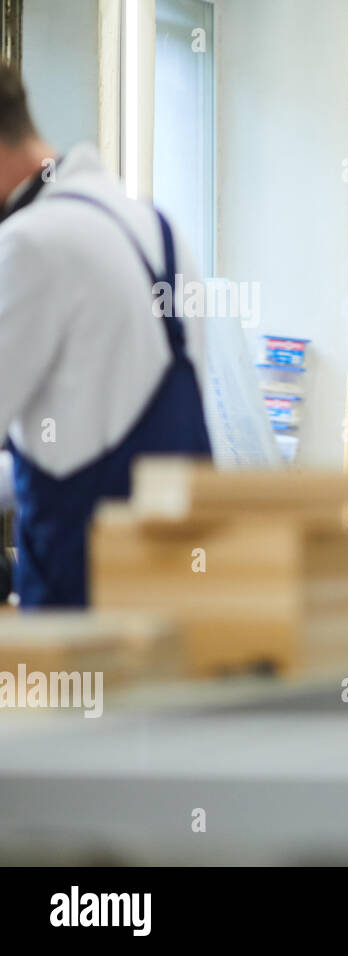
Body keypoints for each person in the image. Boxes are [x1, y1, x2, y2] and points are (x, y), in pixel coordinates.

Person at [0, 64, 213, 608]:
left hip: (86, 600)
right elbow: (80, 426)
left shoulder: (30, 244)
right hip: (181, 588)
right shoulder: (159, 229)